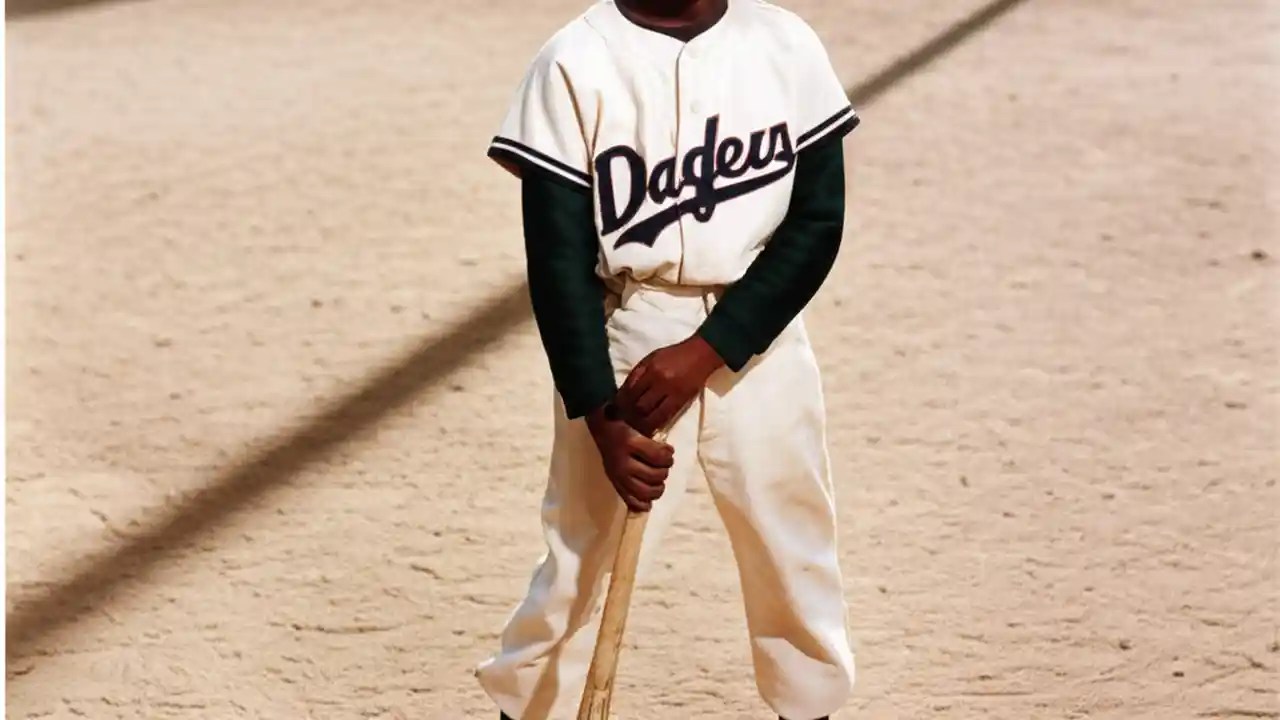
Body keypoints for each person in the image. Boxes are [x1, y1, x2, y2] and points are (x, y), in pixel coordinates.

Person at [475, 1, 859, 717]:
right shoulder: (574, 60)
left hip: (761, 331)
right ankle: (529, 708)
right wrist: (597, 409)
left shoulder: (783, 43)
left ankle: (811, 708)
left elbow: (817, 224)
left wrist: (710, 348)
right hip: (632, 326)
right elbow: (558, 260)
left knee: (793, 541)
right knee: (582, 559)